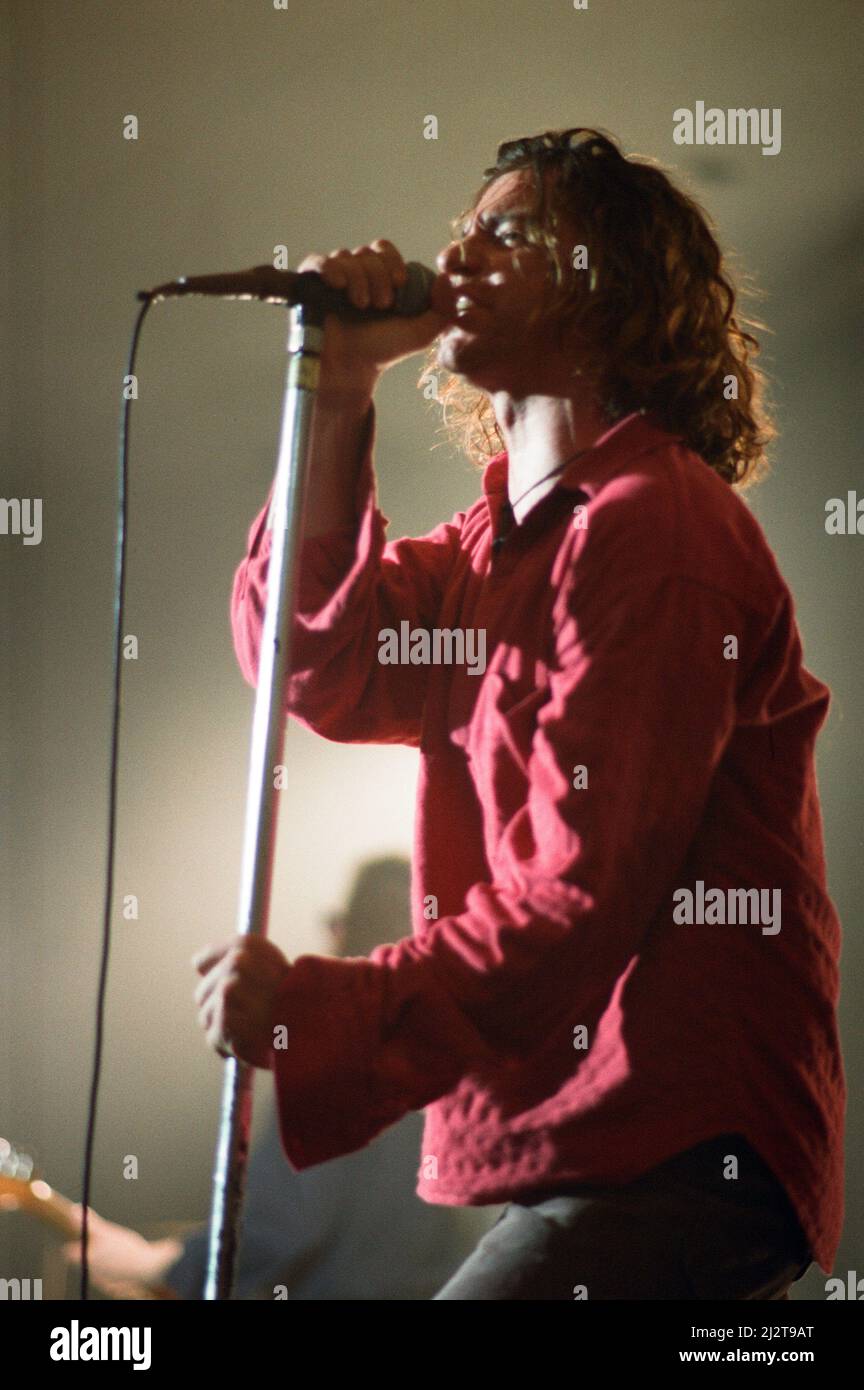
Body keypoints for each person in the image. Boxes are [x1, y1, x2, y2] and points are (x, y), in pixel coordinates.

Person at [195, 128, 844, 1300]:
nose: (461, 249)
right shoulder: (491, 556)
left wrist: (317, 1010)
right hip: (593, 1144)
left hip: (684, 1152)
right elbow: (310, 660)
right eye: (468, 226)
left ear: (610, 285)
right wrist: (341, 387)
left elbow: (575, 894)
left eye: (512, 230)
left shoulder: (653, 526)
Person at [65, 859, 481, 1300]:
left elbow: (284, 1228)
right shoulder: (453, 1059)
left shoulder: (336, 1059)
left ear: (342, 930)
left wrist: (159, 1265)